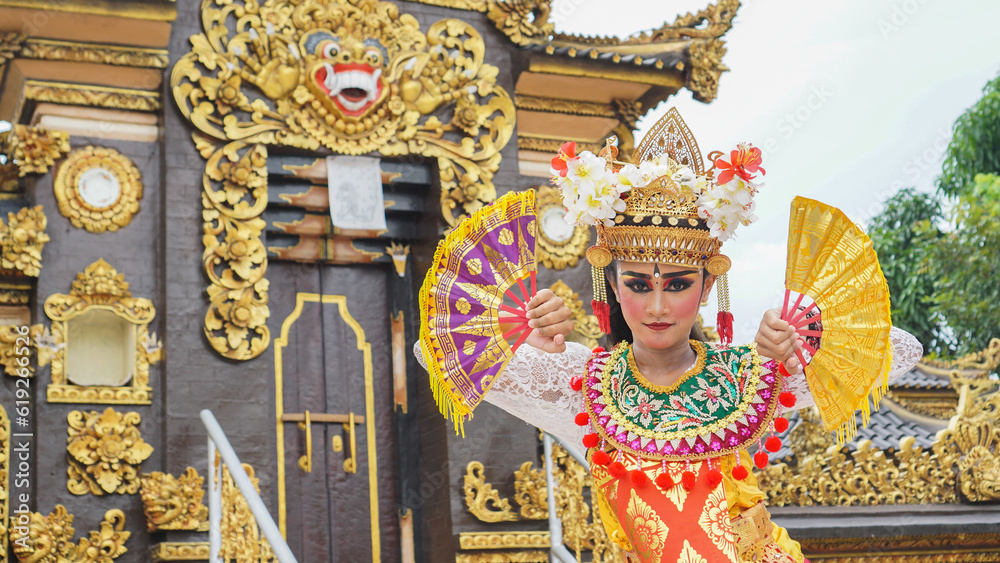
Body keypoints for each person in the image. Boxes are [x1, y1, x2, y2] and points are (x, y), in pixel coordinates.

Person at [418, 110, 922, 563]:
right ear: (611, 286)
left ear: (706, 287)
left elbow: (898, 349)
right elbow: (434, 348)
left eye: (678, 285)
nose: (658, 307)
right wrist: (523, 337)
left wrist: (795, 339)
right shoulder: (580, 383)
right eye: (638, 285)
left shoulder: (749, 377)